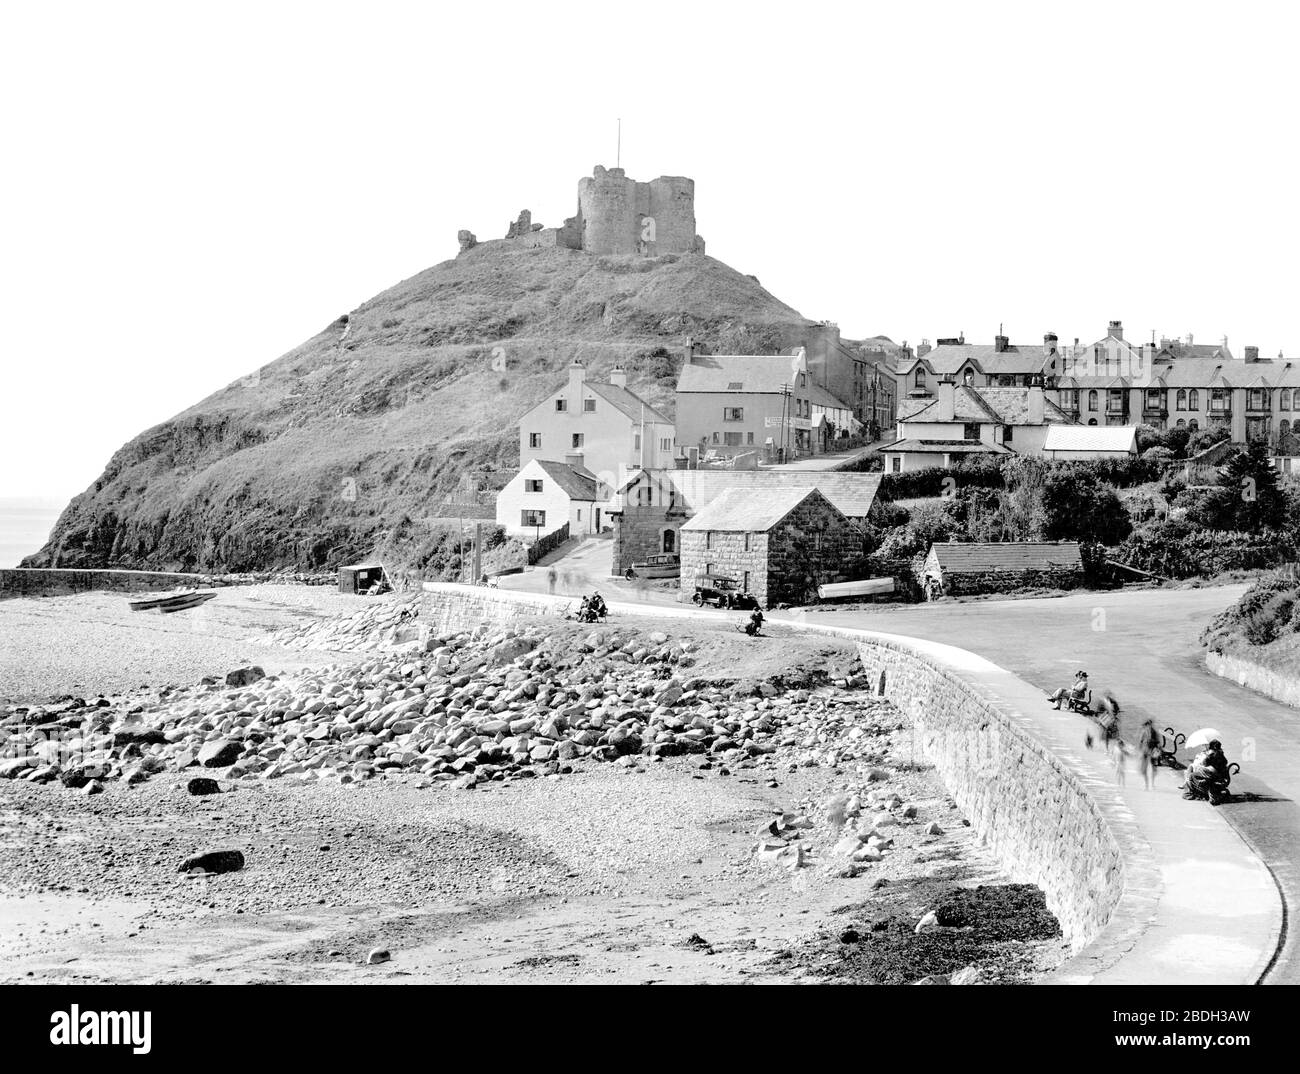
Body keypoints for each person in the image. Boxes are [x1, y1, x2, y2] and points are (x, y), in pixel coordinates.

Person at [1136, 718, 1162, 790]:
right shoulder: (1144, 732)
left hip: (1152, 752)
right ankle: (1146, 785)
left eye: (1150, 725)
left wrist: (1158, 748)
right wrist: (1140, 751)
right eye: (1147, 725)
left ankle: (1152, 784)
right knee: (1144, 770)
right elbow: (1140, 742)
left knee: (1154, 769)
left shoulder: (1154, 732)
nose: (1149, 727)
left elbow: (1158, 742)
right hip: (1146, 752)